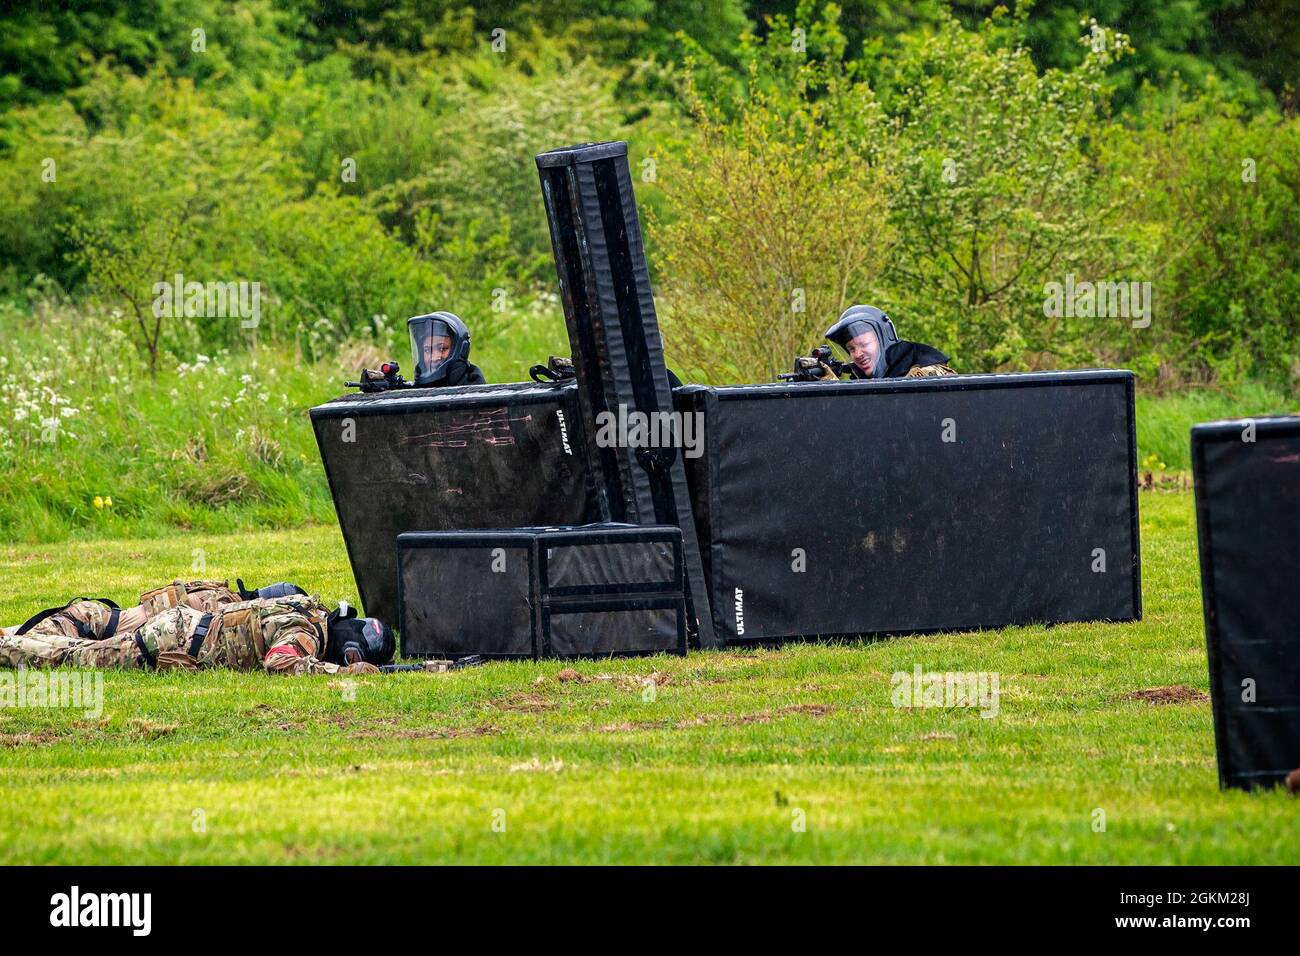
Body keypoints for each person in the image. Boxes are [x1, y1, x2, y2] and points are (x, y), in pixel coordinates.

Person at [0, 579, 393, 675]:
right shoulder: (307, 634)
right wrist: (339, 671)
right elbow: (280, 661)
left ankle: (10, 636)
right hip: (177, 641)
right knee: (71, 657)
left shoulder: (306, 606)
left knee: (87, 626)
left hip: (181, 625)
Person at [811, 305, 955, 380]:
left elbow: (891, 417)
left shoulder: (927, 371)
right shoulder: (864, 382)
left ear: (885, 339)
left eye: (864, 344)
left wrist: (836, 393)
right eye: (851, 349)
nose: (857, 354)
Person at [408, 312, 486, 387]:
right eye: (427, 350)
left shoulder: (475, 390)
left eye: (442, 348)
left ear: (460, 350)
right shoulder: (415, 390)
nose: (434, 357)